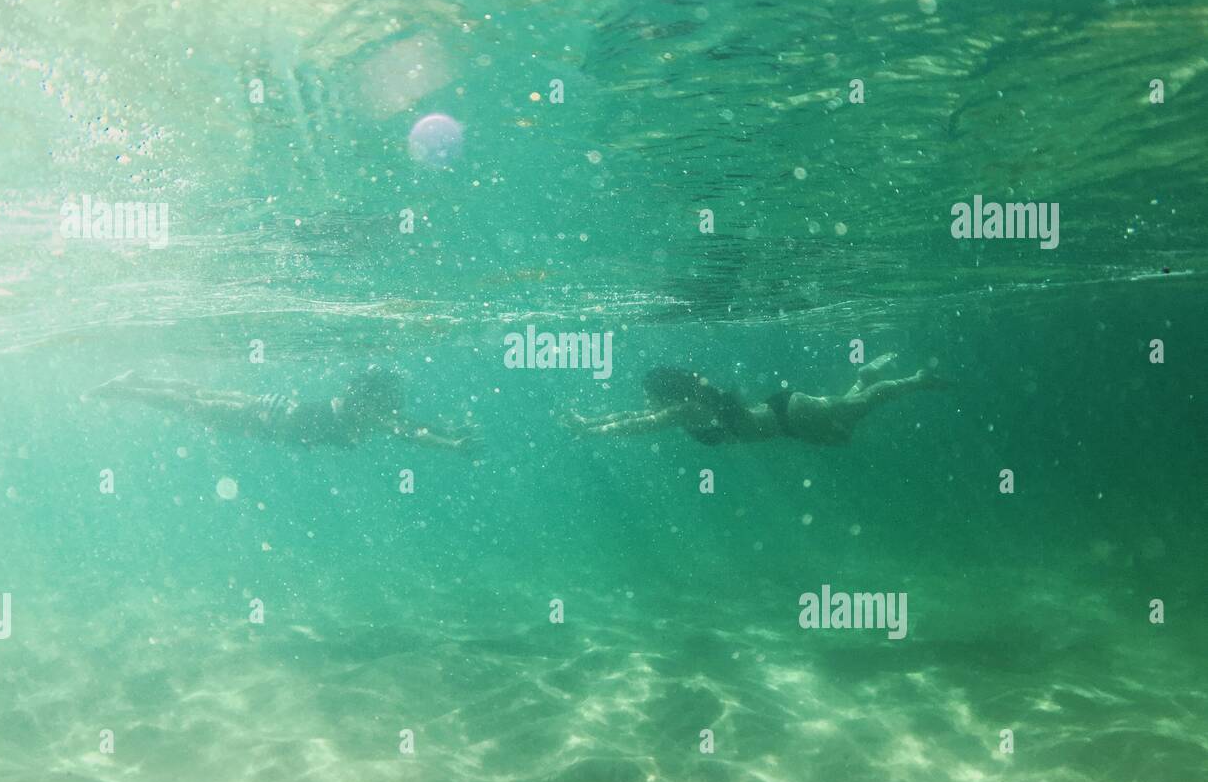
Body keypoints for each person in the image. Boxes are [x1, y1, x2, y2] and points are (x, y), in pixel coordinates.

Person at [561, 353, 949, 446]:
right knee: (844, 429)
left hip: (790, 417)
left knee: (857, 411)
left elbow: (638, 423)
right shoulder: (690, 404)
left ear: (667, 394)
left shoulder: (684, 410)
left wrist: (591, 431)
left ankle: (917, 379)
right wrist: (589, 422)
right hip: (787, 415)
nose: (647, 403)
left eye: (650, 396)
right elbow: (634, 415)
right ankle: (864, 377)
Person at [84, 365, 478, 452]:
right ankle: (126, 390)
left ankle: (133, 382)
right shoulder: (372, 415)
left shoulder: (364, 409)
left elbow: (411, 427)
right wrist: (452, 444)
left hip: (272, 407)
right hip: (265, 420)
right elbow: (410, 432)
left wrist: (450, 432)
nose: (397, 403)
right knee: (193, 405)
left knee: (199, 394)